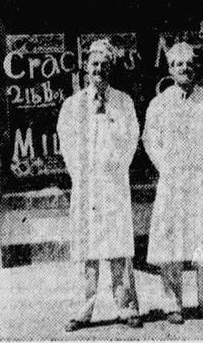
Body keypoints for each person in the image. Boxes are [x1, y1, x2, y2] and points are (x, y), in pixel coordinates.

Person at [55, 39, 143, 331]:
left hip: (114, 184)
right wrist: (82, 174)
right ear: (85, 67)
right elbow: (66, 143)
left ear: (111, 68)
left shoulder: (124, 102)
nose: (99, 70)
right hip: (87, 186)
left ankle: (126, 307)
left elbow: (131, 139)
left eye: (105, 65)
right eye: (94, 64)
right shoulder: (73, 105)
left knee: (119, 247)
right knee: (87, 250)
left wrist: (115, 166)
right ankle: (82, 312)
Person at [143, 41, 203, 324]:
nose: (184, 68)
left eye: (189, 63)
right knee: (171, 245)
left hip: (200, 181)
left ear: (195, 67)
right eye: (178, 64)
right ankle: (172, 303)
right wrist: (167, 167)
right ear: (170, 69)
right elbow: (150, 140)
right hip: (173, 183)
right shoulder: (160, 102)